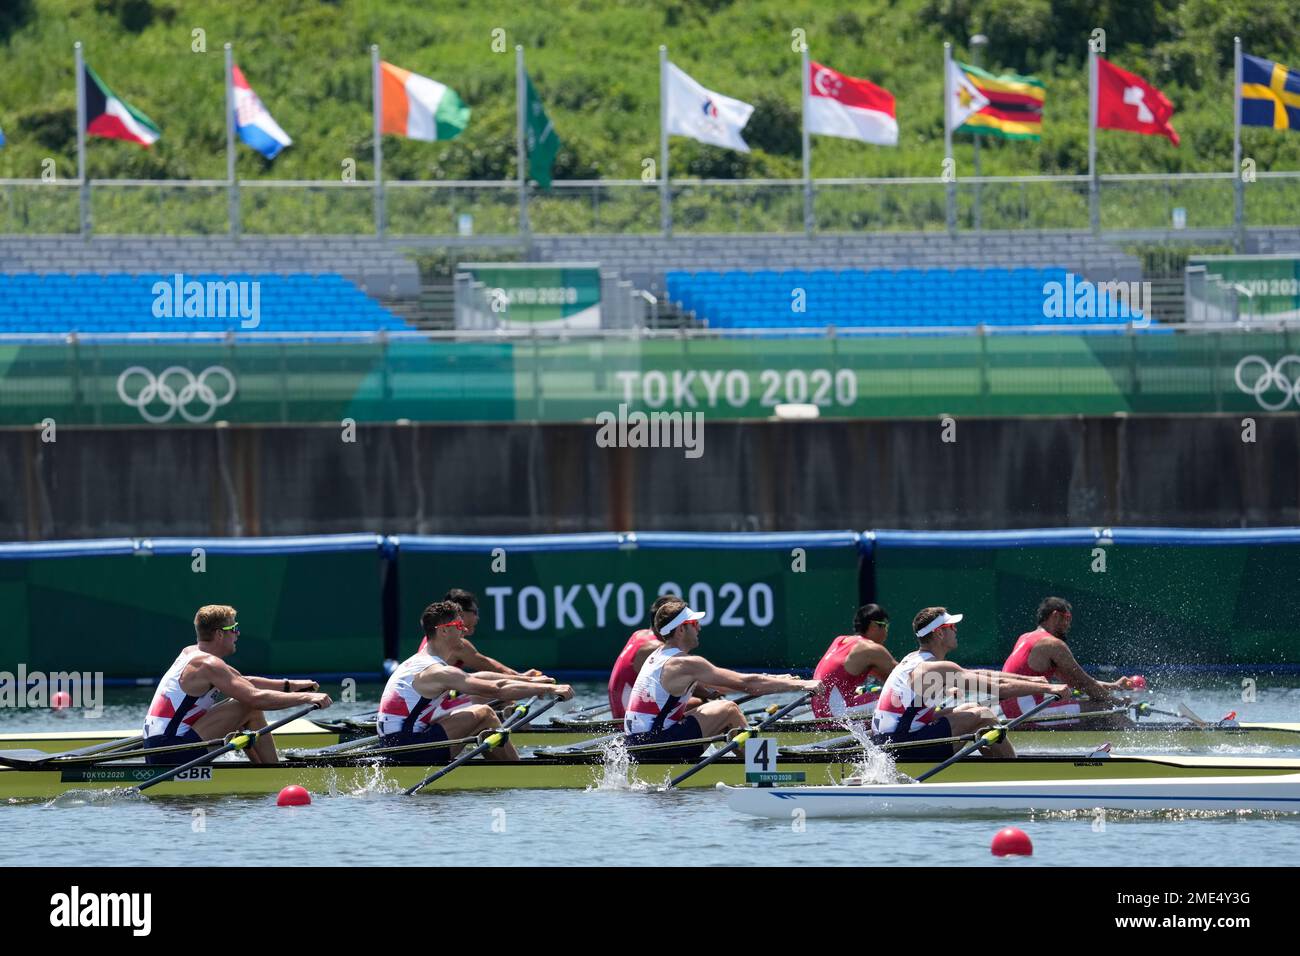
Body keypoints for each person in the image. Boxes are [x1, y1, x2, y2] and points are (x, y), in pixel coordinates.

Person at [623, 599, 822, 761]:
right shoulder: (684, 663)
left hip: (639, 744)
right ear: (681, 630)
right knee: (729, 709)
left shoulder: (658, 655)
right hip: (654, 747)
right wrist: (802, 684)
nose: (699, 628)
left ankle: (752, 761)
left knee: (718, 706)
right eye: (694, 624)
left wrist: (778, 679)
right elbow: (747, 684)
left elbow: (728, 683)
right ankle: (764, 769)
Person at [377, 600, 572, 764]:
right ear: (444, 631)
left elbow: (480, 678)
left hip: (397, 743)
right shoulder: (436, 670)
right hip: (406, 749)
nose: (464, 631)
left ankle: (505, 769)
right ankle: (516, 774)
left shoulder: (420, 661)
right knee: (485, 713)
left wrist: (527, 681)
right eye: (459, 626)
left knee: (479, 706)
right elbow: (497, 689)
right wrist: (550, 688)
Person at [142, 604, 332, 765]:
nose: (238, 633)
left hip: (158, 747)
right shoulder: (209, 665)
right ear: (219, 634)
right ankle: (274, 775)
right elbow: (254, 697)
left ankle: (266, 771)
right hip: (170, 752)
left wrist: (290, 685)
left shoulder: (191, 653)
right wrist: (307, 697)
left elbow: (244, 682)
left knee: (247, 705)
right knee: (248, 705)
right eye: (233, 629)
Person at [870, 607, 1068, 761]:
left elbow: (980, 675)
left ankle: (998, 765)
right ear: (939, 633)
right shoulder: (932, 668)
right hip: (901, 747)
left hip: (889, 742)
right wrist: (1048, 688)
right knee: (983, 715)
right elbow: (997, 688)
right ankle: (1014, 772)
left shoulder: (914, 659)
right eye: (951, 627)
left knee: (972, 708)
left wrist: (1032, 679)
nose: (956, 630)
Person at [999, 597, 1139, 727]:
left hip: (1012, 712)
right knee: (1107, 709)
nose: (1068, 624)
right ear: (1054, 616)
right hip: (1028, 713)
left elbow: (1076, 682)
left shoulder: (1025, 637)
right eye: (1067, 618)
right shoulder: (1052, 644)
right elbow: (1086, 684)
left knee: (1093, 704)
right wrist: (1117, 702)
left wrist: (1114, 686)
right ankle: (1138, 741)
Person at [608, 593, 714, 719]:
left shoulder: (639, 634)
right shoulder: (655, 649)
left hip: (629, 710)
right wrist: (711, 693)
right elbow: (690, 679)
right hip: (630, 718)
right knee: (706, 705)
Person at [810, 604, 898, 719]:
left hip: (821, 712)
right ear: (873, 626)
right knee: (897, 699)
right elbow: (904, 679)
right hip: (836, 715)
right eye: (885, 626)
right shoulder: (870, 649)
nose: (886, 632)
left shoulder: (840, 640)